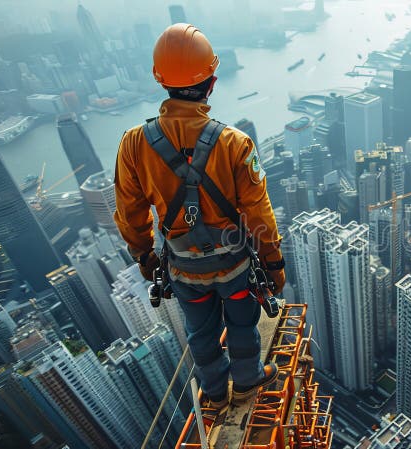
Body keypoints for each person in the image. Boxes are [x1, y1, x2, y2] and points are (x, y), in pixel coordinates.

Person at [113, 23, 285, 409]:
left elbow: (130, 210)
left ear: (161, 81)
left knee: (200, 331)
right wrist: (273, 262)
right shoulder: (235, 144)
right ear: (212, 81)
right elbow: (259, 213)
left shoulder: (134, 144)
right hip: (235, 266)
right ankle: (246, 379)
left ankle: (212, 391)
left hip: (184, 270)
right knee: (242, 322)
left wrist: (145, 256)